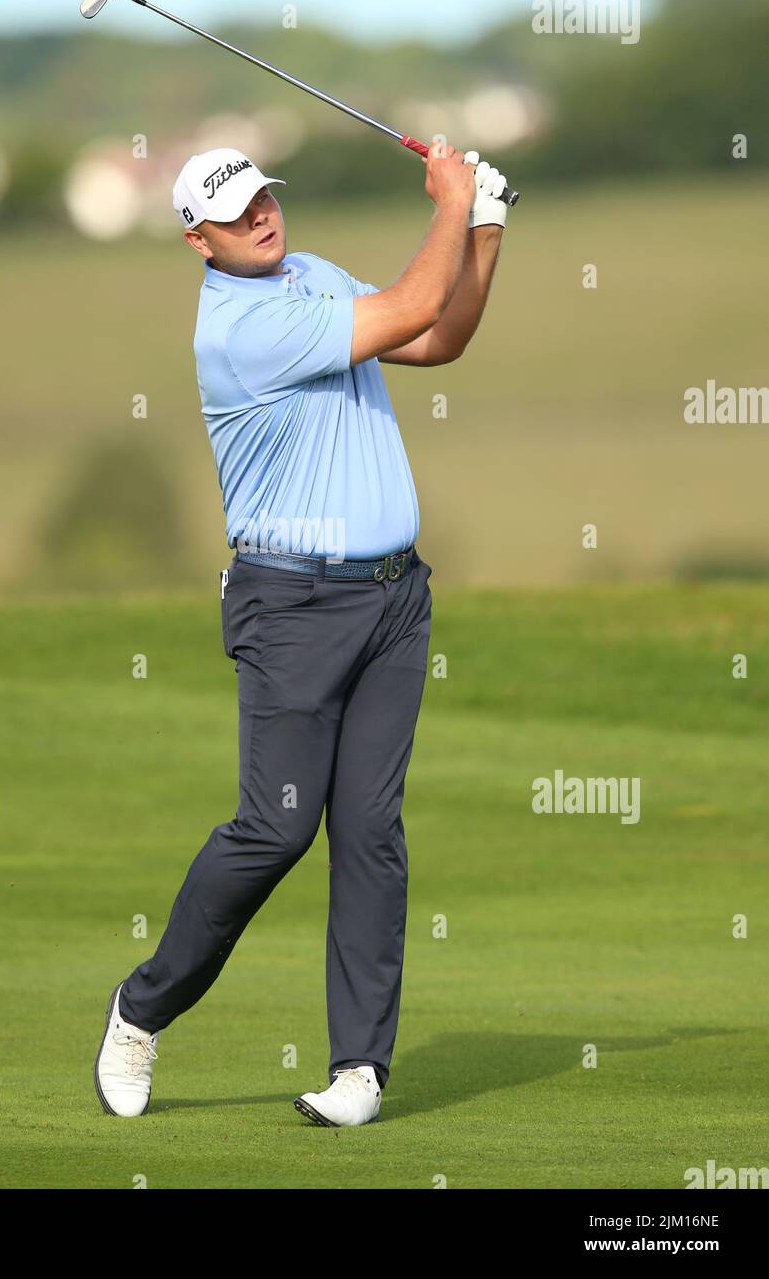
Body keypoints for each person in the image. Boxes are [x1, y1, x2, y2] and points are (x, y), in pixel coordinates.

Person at [94, 142, 510, 1125]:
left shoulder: (310, 277)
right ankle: (140, 1007)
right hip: (292, 611)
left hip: (391, 602)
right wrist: (450, 201)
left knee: (370, 831)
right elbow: (409, 304)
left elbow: (436, 337)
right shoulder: (240, 331)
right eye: (236, 215)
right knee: (276, 827)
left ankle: (358, 1069)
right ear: (197, 241)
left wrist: (485, 229)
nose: (262, 218)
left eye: (264, 198)